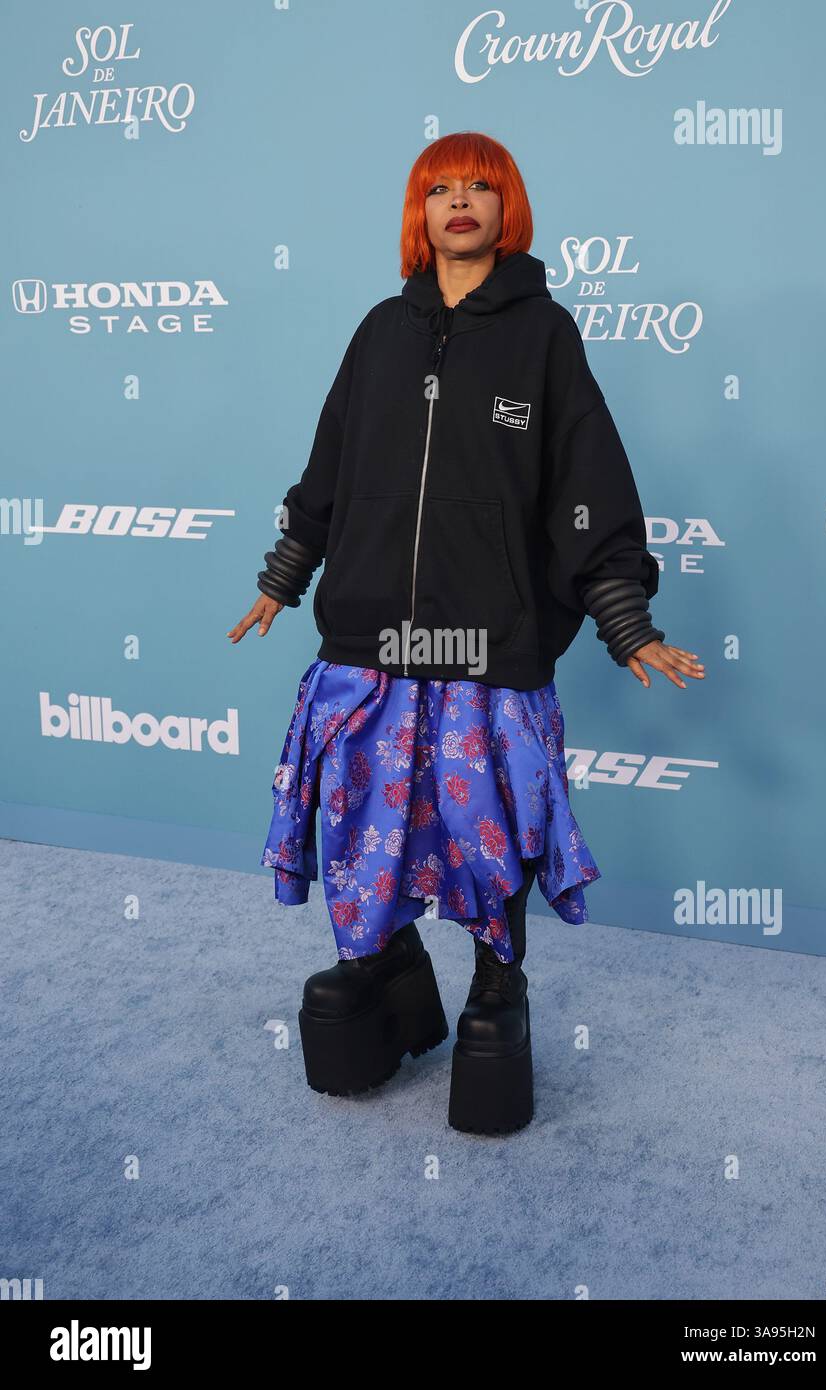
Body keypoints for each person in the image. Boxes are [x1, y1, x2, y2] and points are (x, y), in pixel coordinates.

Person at [228, 131, 704, 1135]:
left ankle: (496, 980)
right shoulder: (376, 334)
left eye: (477, 188)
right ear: (418, 211)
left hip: (489, 649)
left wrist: (626, 623)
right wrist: (282, 579)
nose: (456, 203)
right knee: (365, 820)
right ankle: (381, 958)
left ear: (505, 208)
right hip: (369, 650)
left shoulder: (542, 336)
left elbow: (587, 492)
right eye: (437, 188)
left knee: (487, 829)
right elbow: (326, 474)